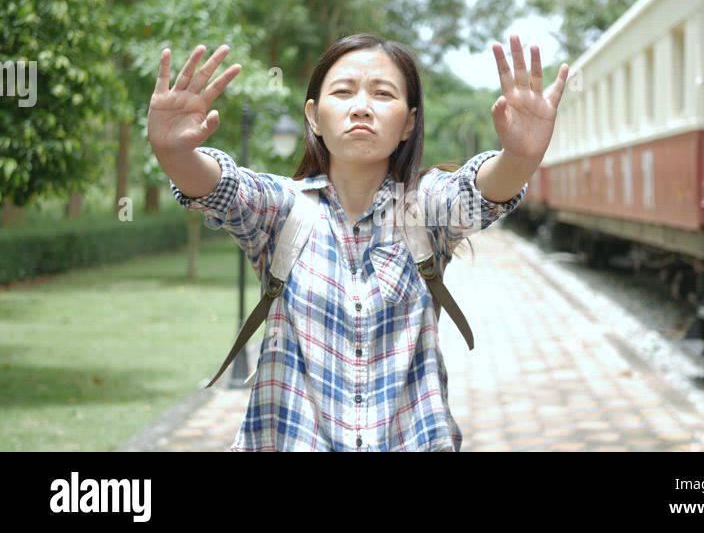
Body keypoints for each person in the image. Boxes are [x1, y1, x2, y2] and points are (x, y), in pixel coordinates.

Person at [146, 32, 568, 452]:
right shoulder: (280, 210)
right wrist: (174, 153)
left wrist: (520, 157)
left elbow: (478, 195)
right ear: (313, 116)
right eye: (343, 91)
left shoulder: (425, 208)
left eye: (383, 94)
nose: (362, 107)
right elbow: (221, 190)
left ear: (408, 123)